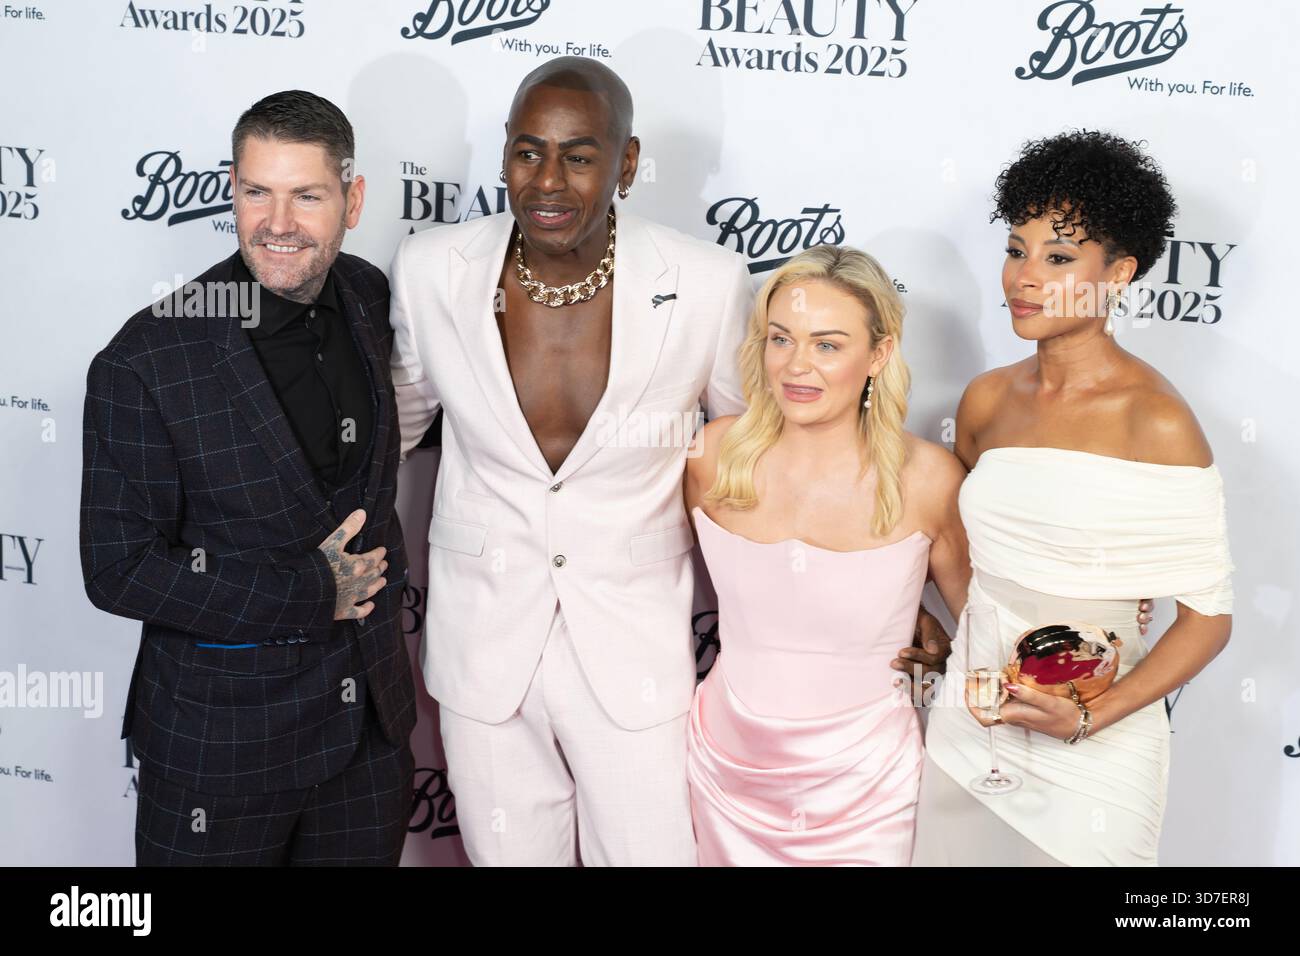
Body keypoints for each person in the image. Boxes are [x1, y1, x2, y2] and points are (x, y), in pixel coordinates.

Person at [389, 57, 953, 865]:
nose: (548, 180)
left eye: (579, 156)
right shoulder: (430, 269)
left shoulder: (704, 280)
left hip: (635, 651)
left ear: (626, 162)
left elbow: (763, 454)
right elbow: (394, 430)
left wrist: (877, 603)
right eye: (526, 151)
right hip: (481, 643)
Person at [80, 90, 416, 865]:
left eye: (307, 195)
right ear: (232, 188)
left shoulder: (368, 296)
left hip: (368, 732)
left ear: (353, 199)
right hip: (219, 751)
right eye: (256, 192)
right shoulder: (147, 361)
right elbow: (118, 571)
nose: (278, 222)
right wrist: (309, 591)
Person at [912, 130, 1234, 867]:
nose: (1025, 276)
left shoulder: (1155, 418)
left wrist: (1089, 715)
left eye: (1058, 257)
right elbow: (955, 545)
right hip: (976, 716)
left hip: (1099, 741)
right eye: (1017, 249)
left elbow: (1208, 621)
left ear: (1118, 272)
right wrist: (934, 627)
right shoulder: (988, 399)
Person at [683, 245, 971, 865]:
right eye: (781, 338)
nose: (796, 366)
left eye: (828, 345)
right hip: (723, 775)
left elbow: (988, 625)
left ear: (880, 353)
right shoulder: (711, 457)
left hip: (868, 791)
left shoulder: (928, 479)